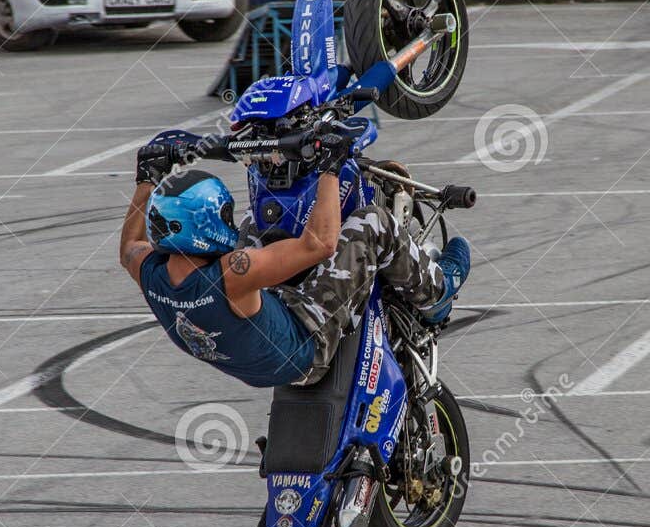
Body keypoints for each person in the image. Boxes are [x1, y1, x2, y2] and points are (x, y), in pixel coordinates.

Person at [119, 131, 471, 389]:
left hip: (249, 361)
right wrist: (330, 168)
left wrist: (145, 179)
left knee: (255, 225)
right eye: (221, 213)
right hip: (306, 349)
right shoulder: (233, 273)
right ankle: (437, 292)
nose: (227, 220)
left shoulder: (148, 271)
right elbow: (319, 245)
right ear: (204, 223)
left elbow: (129, 245)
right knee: (372, 223)